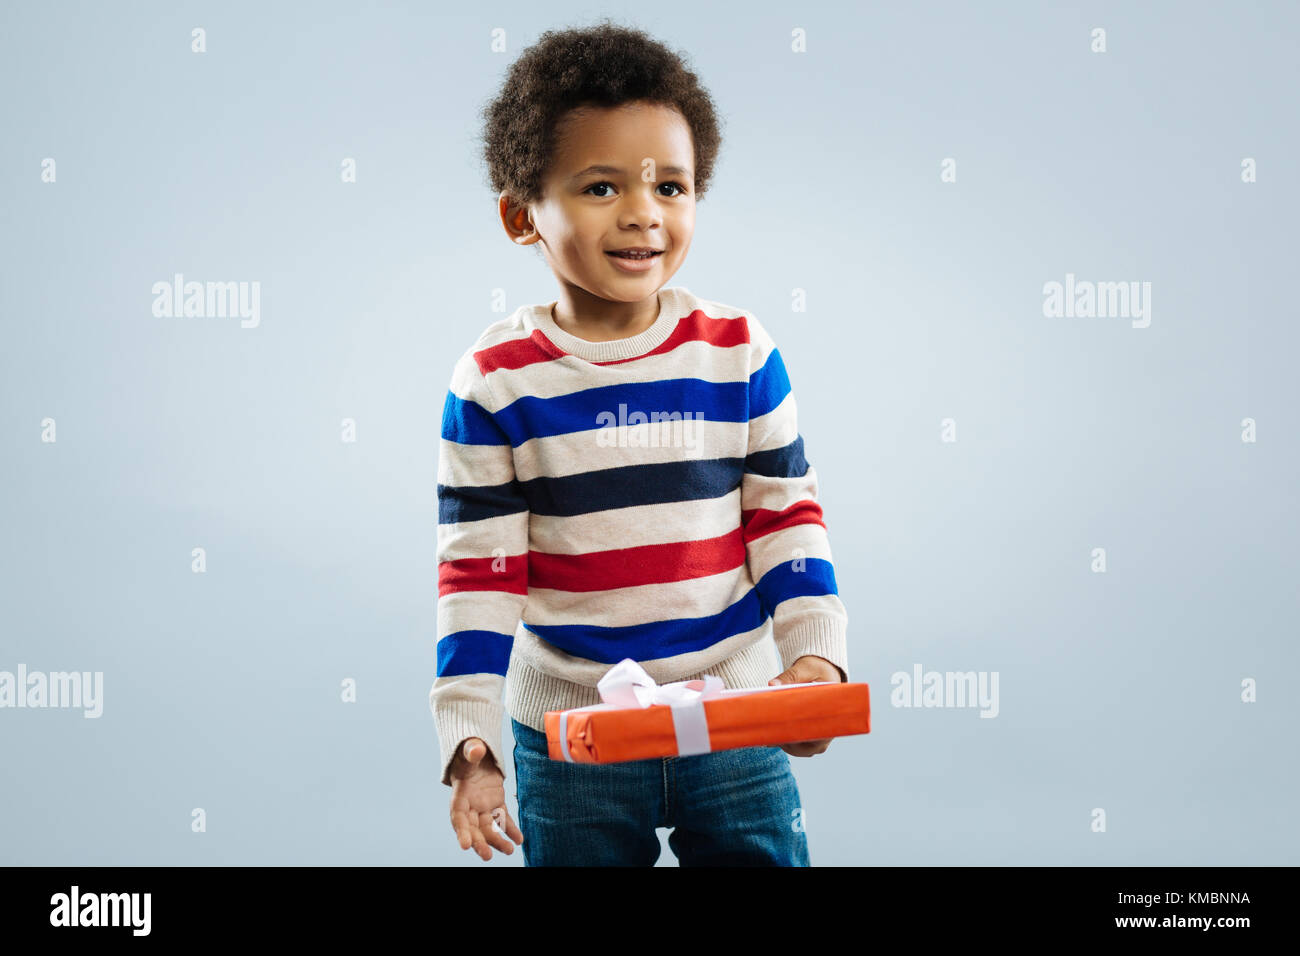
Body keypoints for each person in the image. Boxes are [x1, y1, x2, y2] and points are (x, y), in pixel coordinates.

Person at [430, 21, 850, 866]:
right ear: (521, 215)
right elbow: (479, 575)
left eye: (671, 186)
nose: (643, 213)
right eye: (601, 187)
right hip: (572, 738)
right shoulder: (494, 383)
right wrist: (470, 740)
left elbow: (785, 519)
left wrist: (815, 657)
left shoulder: (739, 352)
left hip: (733, 720)